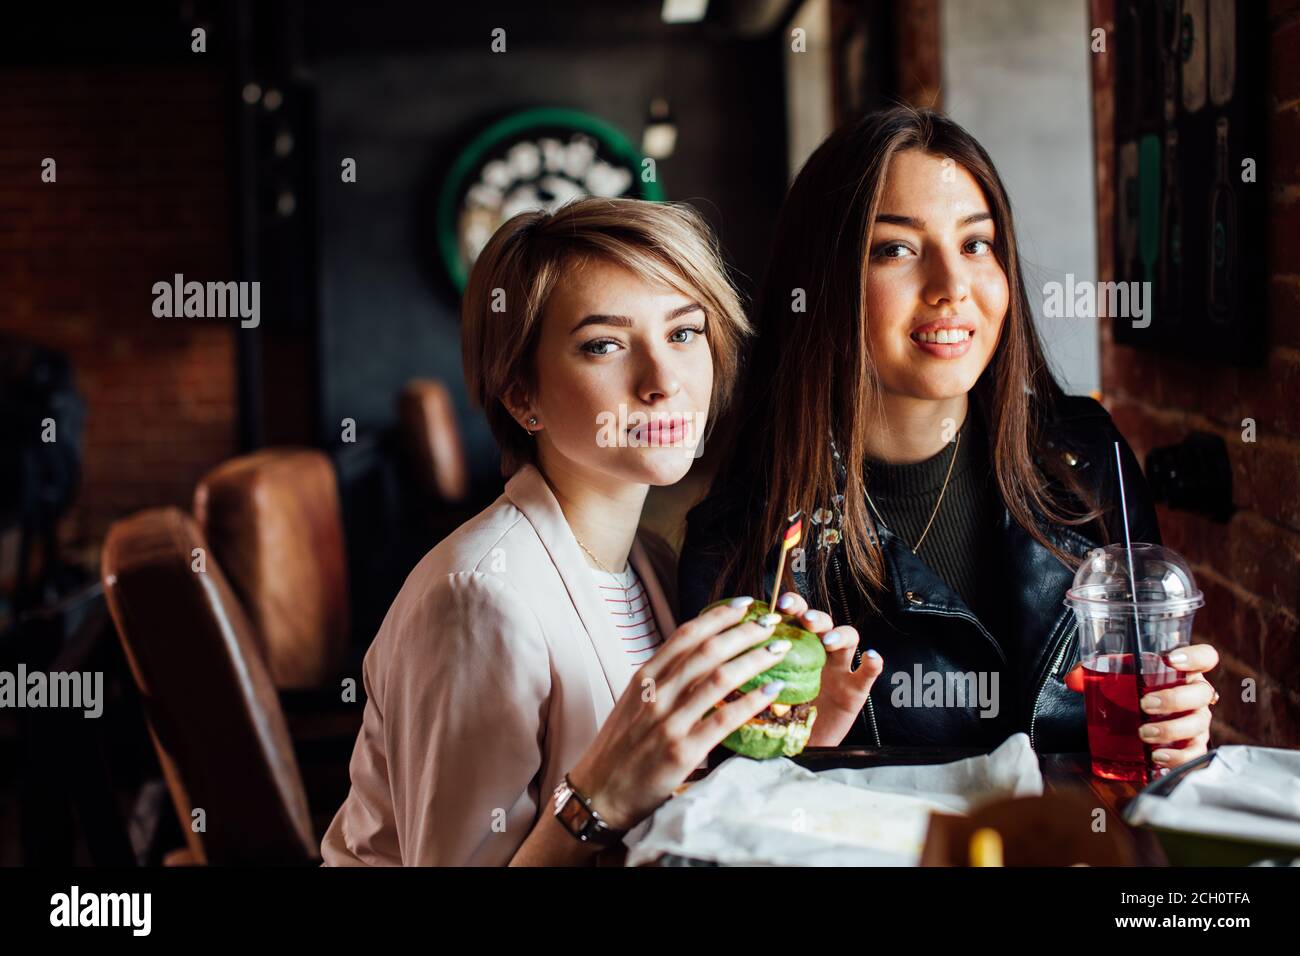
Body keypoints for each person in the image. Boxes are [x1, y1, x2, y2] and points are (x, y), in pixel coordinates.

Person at [321, 197, 881, 866]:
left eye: (683, 333)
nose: (663, 381)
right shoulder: (479, 600)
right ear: (522, 395)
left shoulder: (647, 562)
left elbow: (673, 824)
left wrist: (798, 735)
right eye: (604, 345)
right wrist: (595, 801)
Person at [679, 107, 1218, 766]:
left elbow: (1144, 723)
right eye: (896, 249)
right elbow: (727, 799)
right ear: (821, 283)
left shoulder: (1089, 459)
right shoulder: (749, 532)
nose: (951, 287)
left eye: (976, 244)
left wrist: (1175, 737)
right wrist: (798, 751)